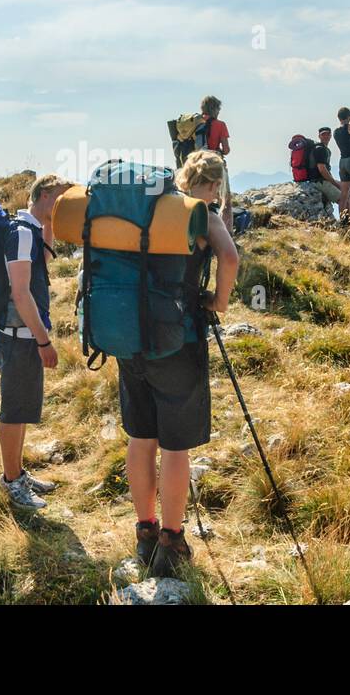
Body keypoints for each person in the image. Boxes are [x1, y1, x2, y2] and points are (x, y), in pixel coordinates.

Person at [122, 150, 239, 578]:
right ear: (213, 185)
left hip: (131, 337)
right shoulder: (201, 215)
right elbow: (230, 258)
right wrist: (219, 302)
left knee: (140, 436)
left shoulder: (150, 209)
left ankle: (145, 531)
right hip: (178, 341)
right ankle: (172, 541)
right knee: (175, 445)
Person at [0, 173, 73, 510]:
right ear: (42, 194)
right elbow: (21, 293)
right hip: (20, 337)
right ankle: (11, 483)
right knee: (13, 412)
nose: (62, 205)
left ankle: (18, 474)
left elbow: (44, 263)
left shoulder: (31, 232)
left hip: (23, 336)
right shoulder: (21, 233)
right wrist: (44, 342)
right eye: (58, 198)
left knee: (23, 409)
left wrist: (51, 222)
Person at [199, 95, 234, 232]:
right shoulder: (220, 125)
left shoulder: (195, 124)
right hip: (215, 165)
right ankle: (227, 236)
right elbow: (226, 150)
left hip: (197, 166)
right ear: (215, 109)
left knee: (201, 201)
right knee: (225, 201)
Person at [308, 125, 344, 218]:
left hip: (320, 179)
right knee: (342, 198)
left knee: (345, 187)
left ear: (331, 136)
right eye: (323, 134)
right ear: (319, 136)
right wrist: (334, 183)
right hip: (318, 181)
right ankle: (348, 221)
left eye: (328, 134)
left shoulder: (323, 148)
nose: (326, 136)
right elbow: (322, 169)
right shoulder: (320, 150)